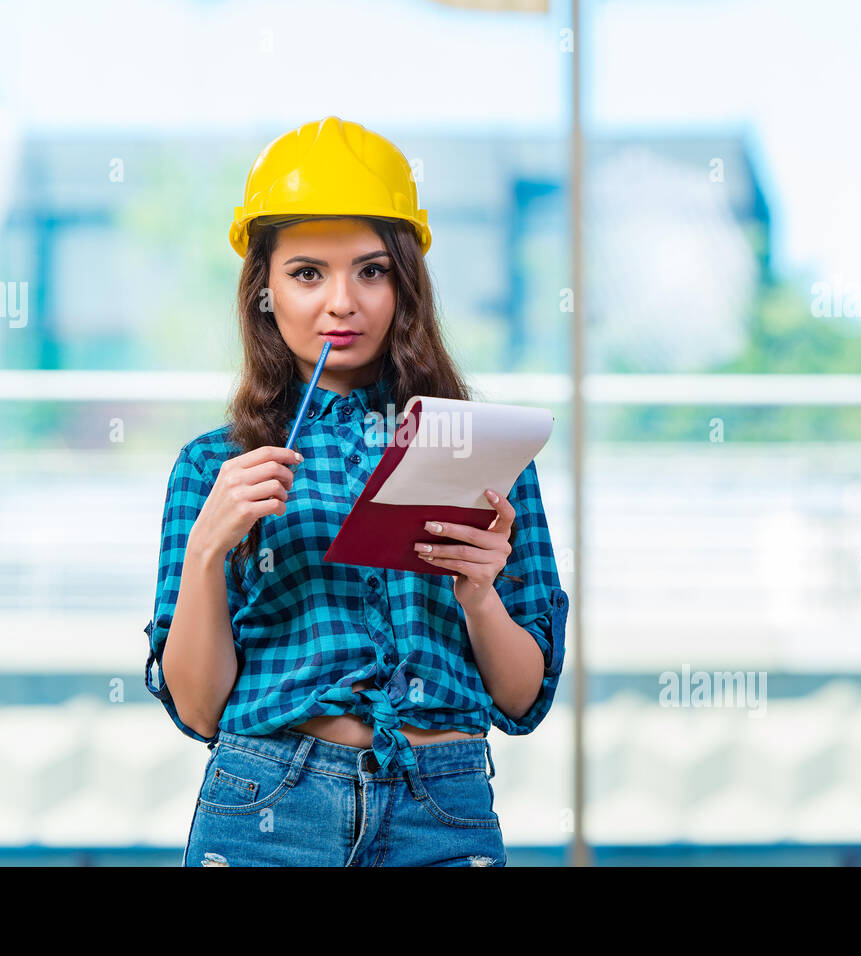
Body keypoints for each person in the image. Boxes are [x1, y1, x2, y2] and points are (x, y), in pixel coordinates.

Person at [143, 116, 569, 866]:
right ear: (265, 292)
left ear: (406, 285)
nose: (343, 301)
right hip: (268, 803)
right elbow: (201, 708)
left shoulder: (484, 452)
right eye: (308, 273)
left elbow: (521, 698)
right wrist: (208, 549)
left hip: (442, 803)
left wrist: (477, 591)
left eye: (372, 271)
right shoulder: (214, 467)